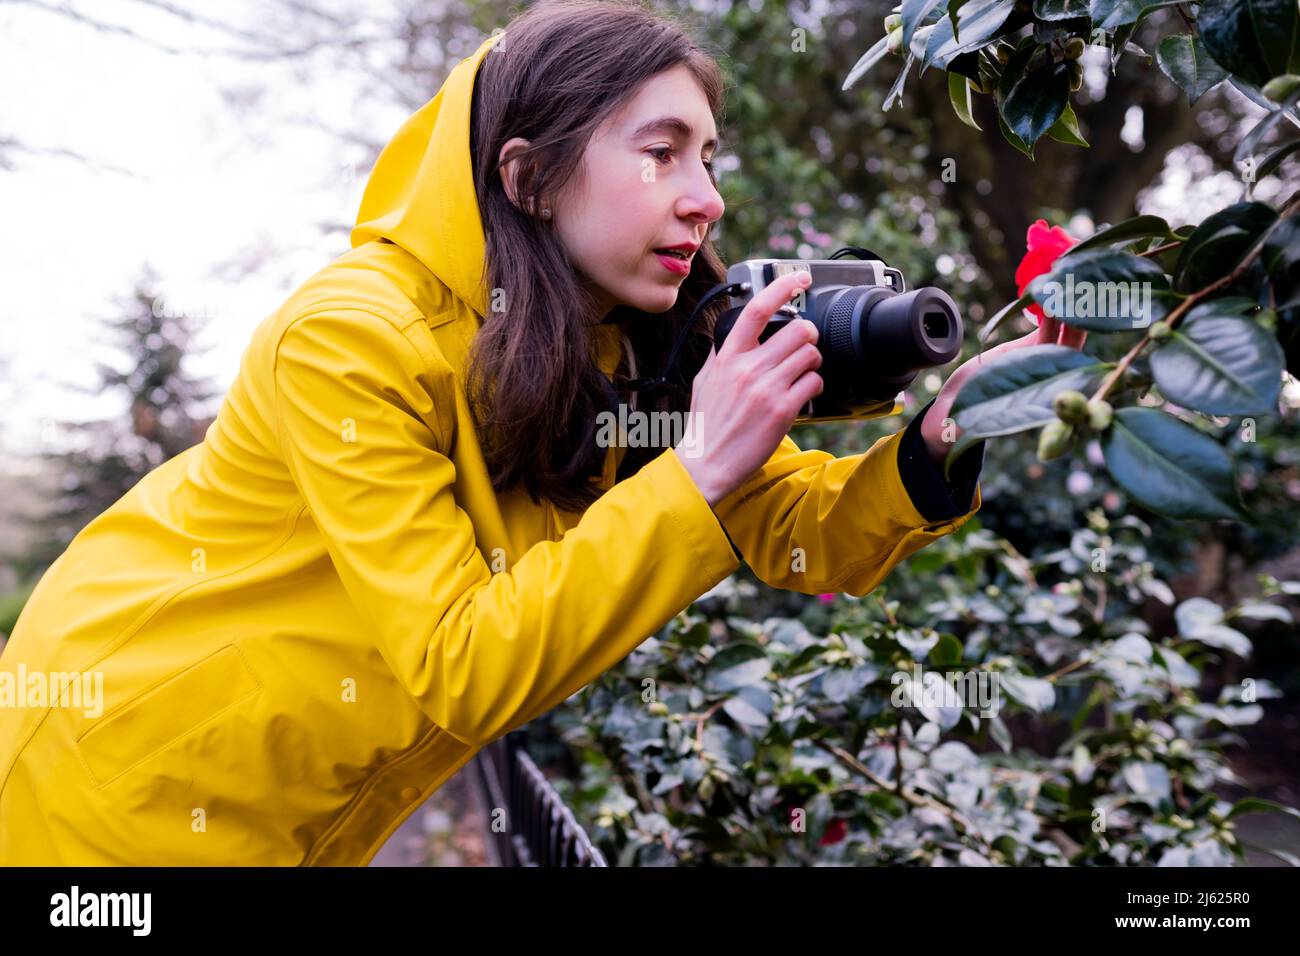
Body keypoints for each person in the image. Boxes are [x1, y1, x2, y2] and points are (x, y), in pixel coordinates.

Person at [0, 0, 1083, 866]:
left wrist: (943, 433)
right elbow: (463, 662)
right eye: (661, 152)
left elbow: (796, 530)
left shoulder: (625, 345)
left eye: (709, 157)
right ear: (525, 174)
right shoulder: (348, 339)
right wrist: (700, 463)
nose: (705, 198)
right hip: (118, 773)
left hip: (300, 799)